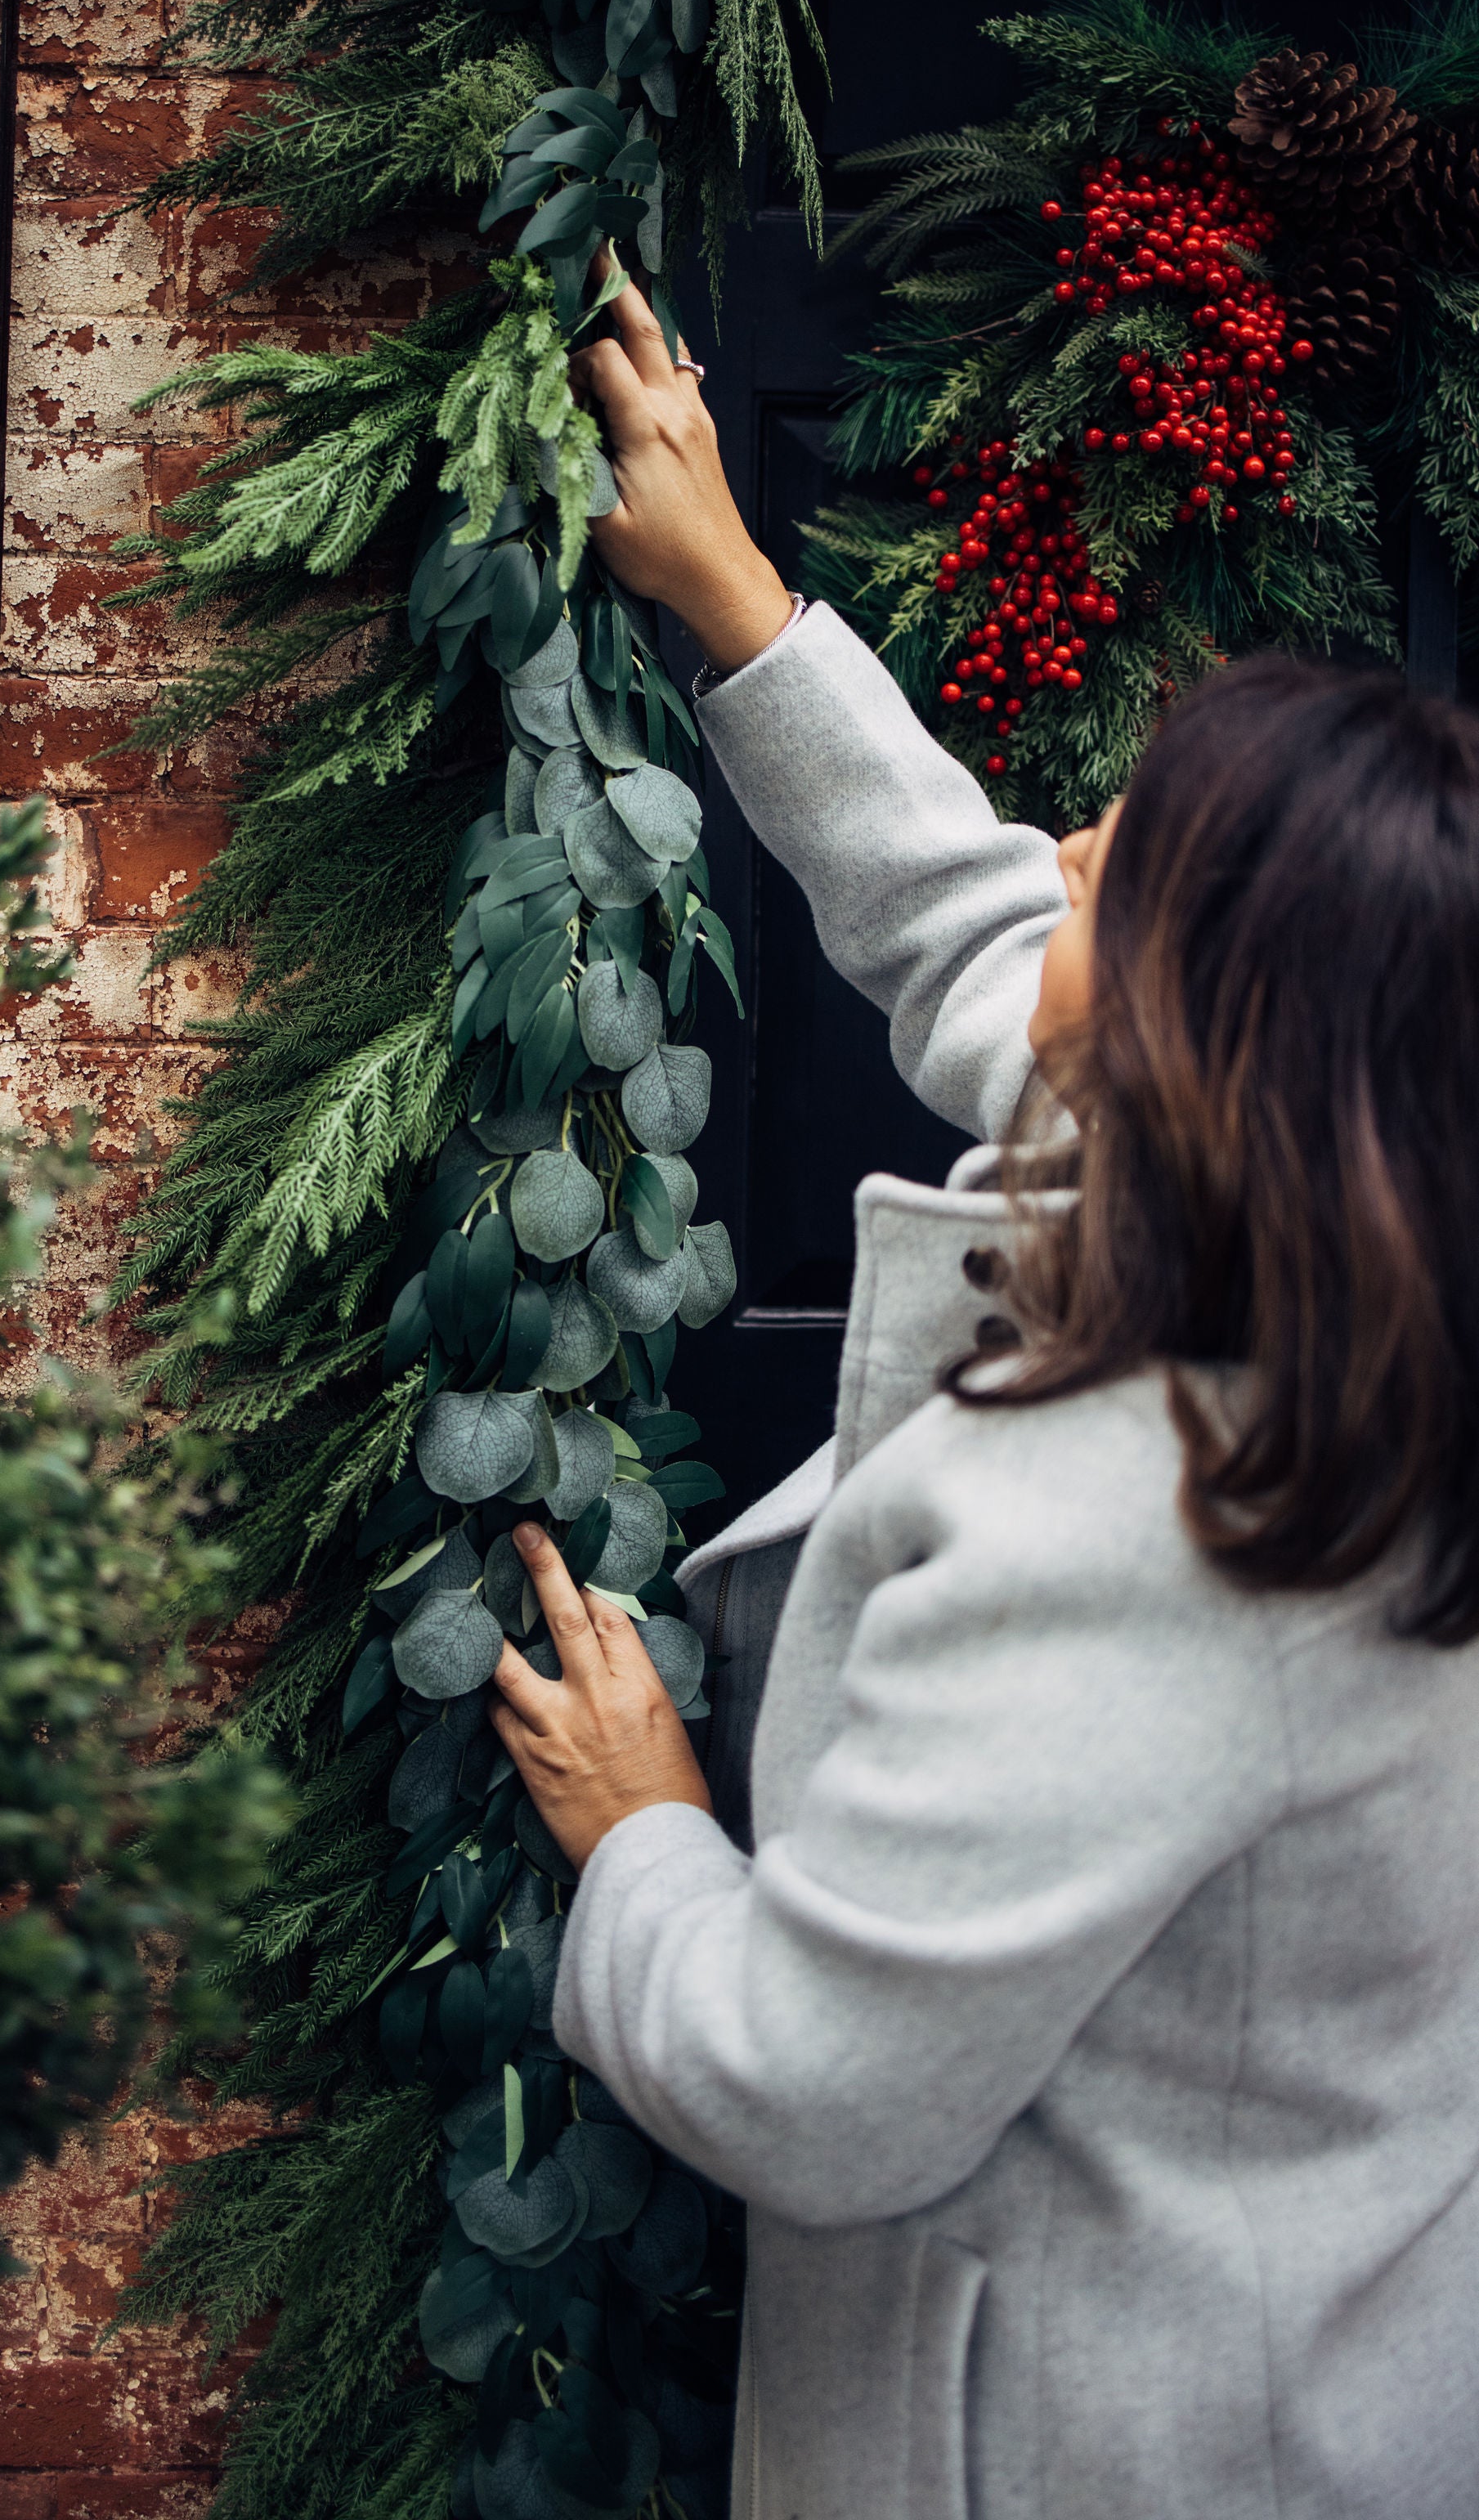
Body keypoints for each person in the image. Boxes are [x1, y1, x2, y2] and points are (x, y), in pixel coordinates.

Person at [486, 278, 1479, 2520]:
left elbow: (811, 2086)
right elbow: (967, 936)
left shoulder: (1158, 1517)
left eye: (1119, 851)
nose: (1068, 841)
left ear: (1204, 1025)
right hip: (1325, 2360)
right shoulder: (1356, 1268)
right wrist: (734, 599)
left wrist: (644, 1830)